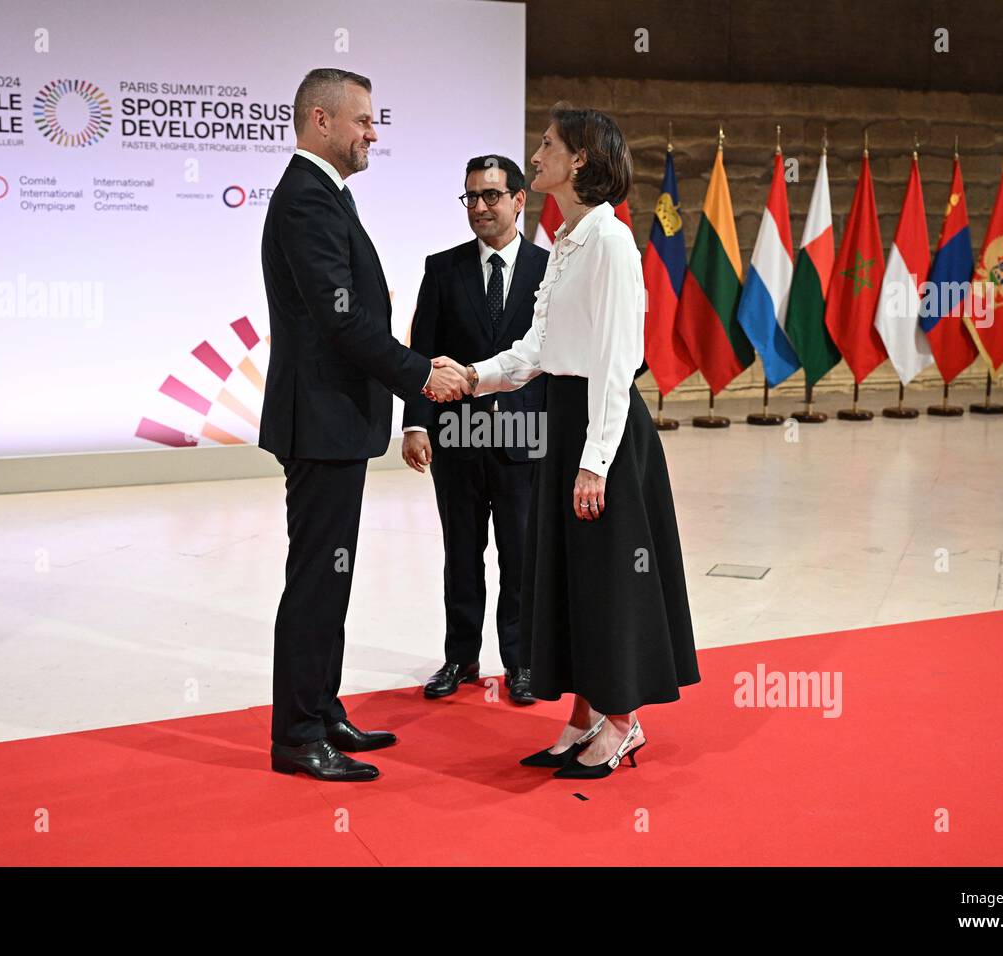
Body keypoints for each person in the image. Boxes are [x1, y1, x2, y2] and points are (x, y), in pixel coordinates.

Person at [433, 105, 700, 779]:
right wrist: (474, 376)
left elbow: (618, 358)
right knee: (572, 578)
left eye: (548, 144)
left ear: (580, 159)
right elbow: (535, 350)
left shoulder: (608, 240)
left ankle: (622, 721)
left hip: (600, 431)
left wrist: (595, 464)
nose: (537, 154)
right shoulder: (570, 237)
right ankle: (583, 715)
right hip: (563, 415)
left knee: (609, 580)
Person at [257, 68, 469, 782]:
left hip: (335, 421)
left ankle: (320, 709)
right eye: (363, 121)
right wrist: (418, 373)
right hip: (318, 422)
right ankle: (295, 735)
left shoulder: (324, 196)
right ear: (321, 120)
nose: (373, 134)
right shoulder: (307, 200)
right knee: (318, 577)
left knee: (331, 576)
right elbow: (341, 319)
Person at [401, 155, 549, 706]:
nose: (480, 207)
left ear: (518, 200)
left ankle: (523, 662)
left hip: (524, 438)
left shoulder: (548, 268)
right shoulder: (442, 268)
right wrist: (416, 423)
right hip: (456, 440)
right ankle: (460, 657)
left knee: (520, 557)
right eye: (471, 197)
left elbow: (554, 360)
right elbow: (422, 350)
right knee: (461, 553)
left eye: (491, 195)